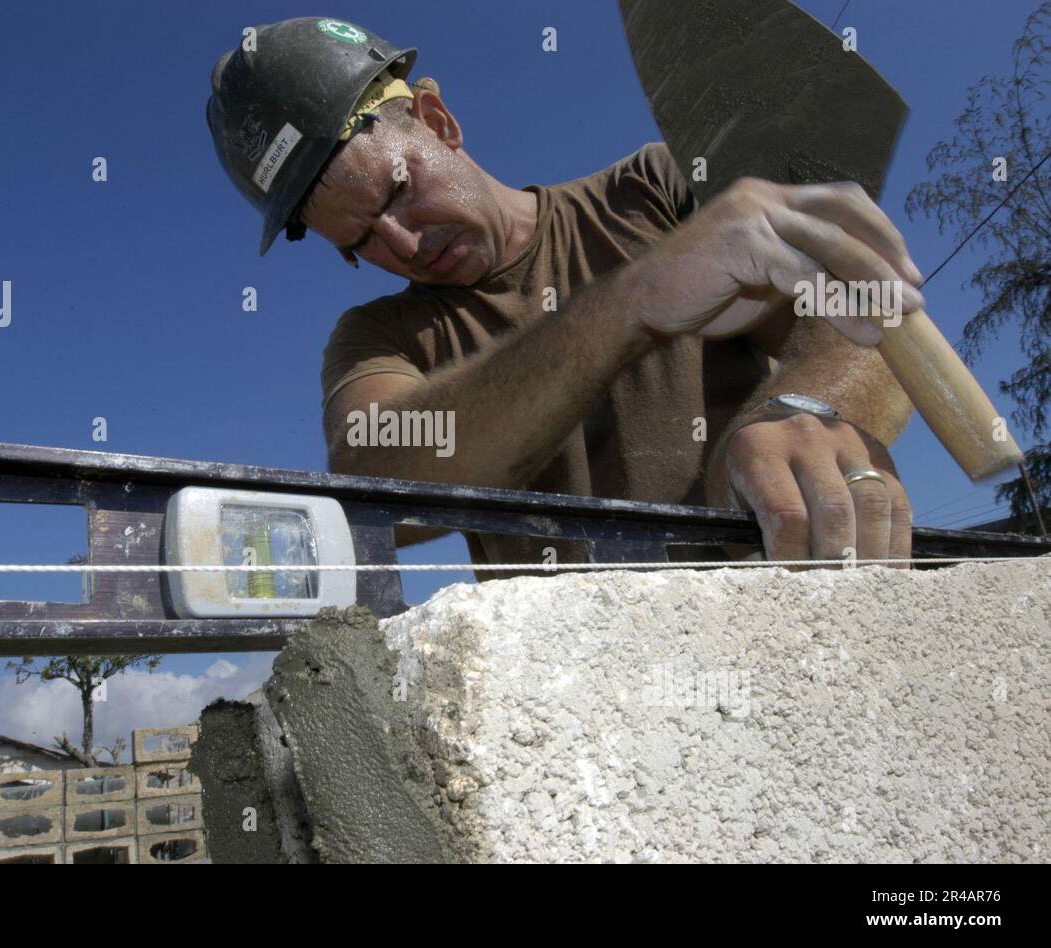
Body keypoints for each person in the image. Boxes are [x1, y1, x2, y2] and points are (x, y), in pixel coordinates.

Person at [207, 17, 917, 577]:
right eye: (361, 240)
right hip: (576, 702)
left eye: (397, 191)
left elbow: (866, 322)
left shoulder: (660, 191)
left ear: (437, 121)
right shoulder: (379, 339)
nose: (403, 243)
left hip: (777, 623)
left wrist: (808, 409)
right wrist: (629, 302)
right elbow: (378, 485)